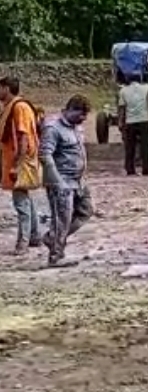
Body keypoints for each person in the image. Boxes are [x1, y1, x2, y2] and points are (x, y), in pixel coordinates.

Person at [39, 95, 94, 267]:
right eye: (81, 114)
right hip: (61, 181)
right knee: (61, 218)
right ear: (71, 110)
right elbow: (45, 155)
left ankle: (52, 238)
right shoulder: (53, 128)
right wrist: (57, 182)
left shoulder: (76, 128)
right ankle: (56, 255)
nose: (83, 119)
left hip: (78, 180)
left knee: (86, 210)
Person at [0, 76, 41, 253]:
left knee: (20, 201)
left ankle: (23, 242)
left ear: (6, 88)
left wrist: (18, 163)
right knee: (25, 197)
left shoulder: (19, 107)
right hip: (13, 159)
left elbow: (23, 136)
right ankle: (34, 236)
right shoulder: (11, 107)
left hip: (19, 160)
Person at [118, 73, 148, 176]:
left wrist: (120, 122)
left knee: (130, 147)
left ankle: (130, 169)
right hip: (145, 120)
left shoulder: (123, 91)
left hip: (130, 121)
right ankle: (146, 169)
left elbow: (122, 108)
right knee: (145, 146)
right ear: (140, 79)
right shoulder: (147, 88)